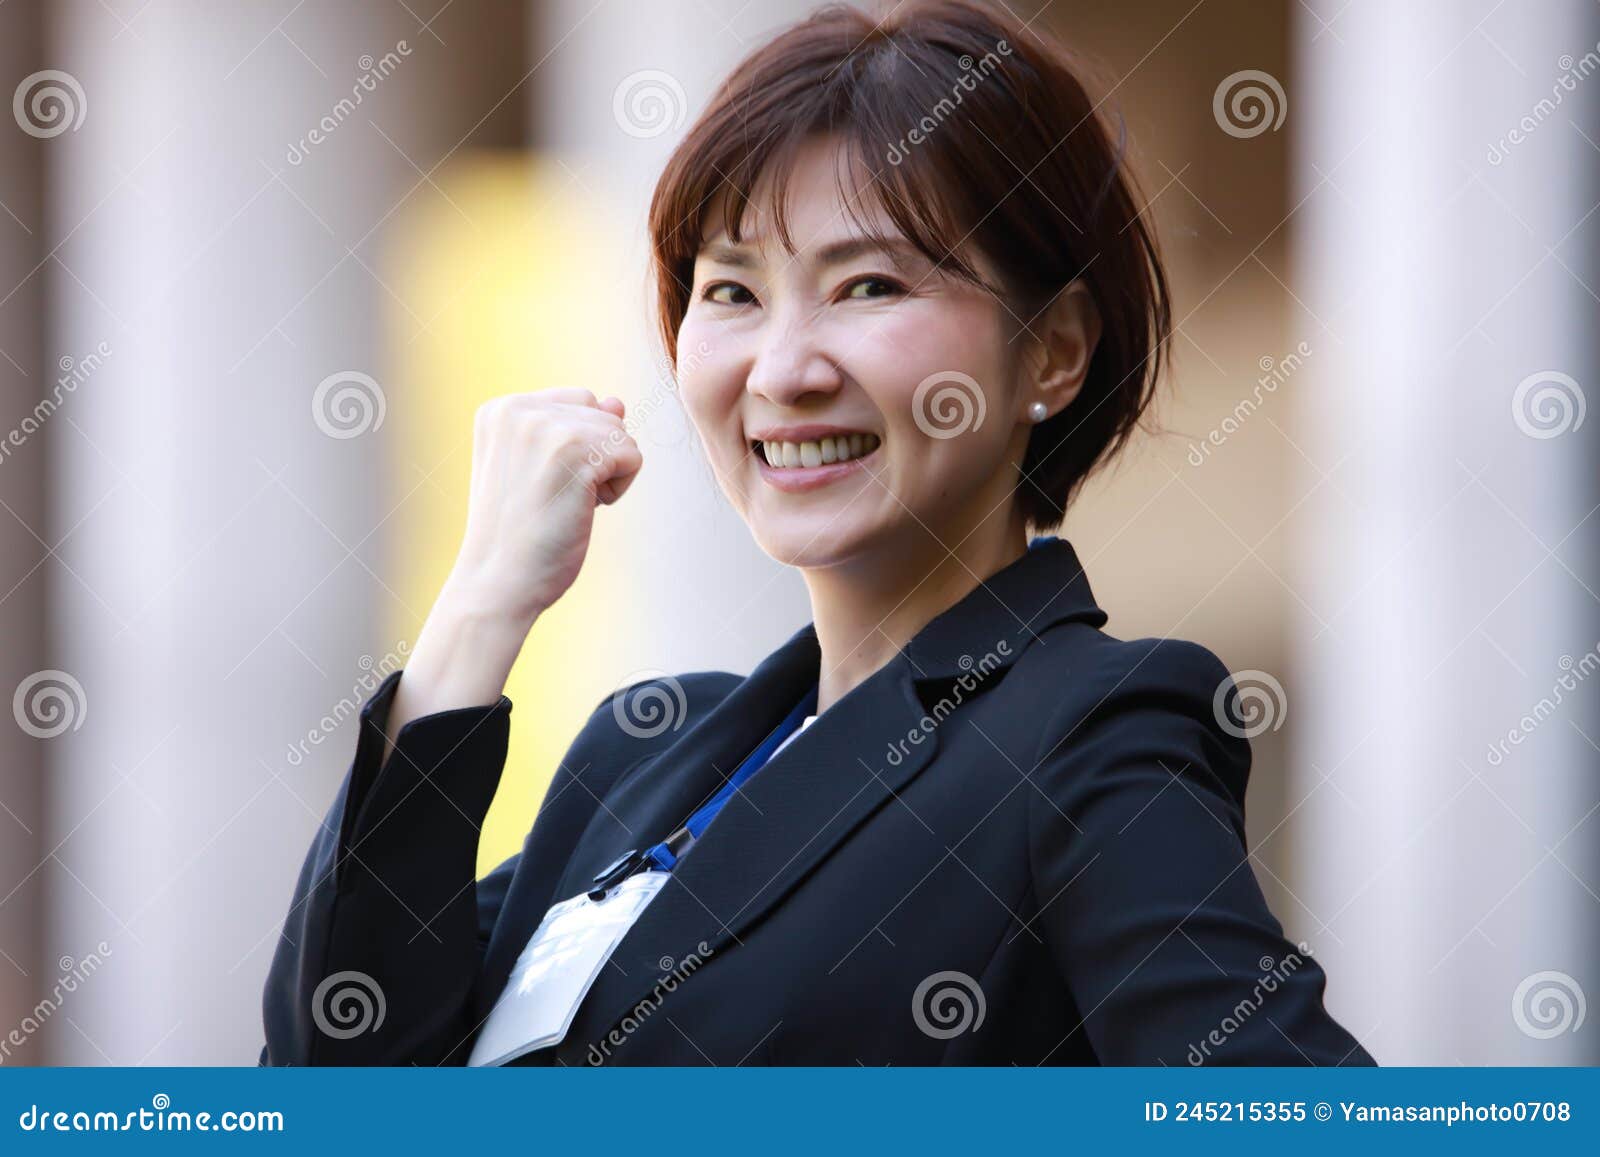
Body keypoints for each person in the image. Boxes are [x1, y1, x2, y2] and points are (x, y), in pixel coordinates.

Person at [260, 0, 1375, 1067]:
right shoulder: (640, 757)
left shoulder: (1084, 734)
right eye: (732, 291)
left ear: (1053, 351)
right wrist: (481, 604)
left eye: (870, 284)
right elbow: (335, 1079)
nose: (784, 370)